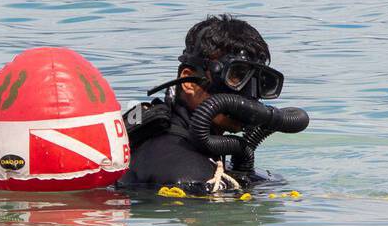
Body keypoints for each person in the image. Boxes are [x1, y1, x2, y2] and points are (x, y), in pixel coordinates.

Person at [121, 14, 309, 195]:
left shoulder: (169, 141)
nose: (250, 94)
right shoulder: (188, 175)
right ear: (189, 82)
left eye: (260, 82)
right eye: (237, 75)